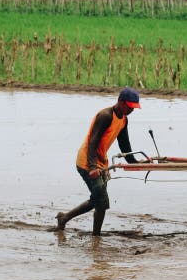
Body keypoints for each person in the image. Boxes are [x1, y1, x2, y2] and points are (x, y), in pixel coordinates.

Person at [55, 87, 142, 236]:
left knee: (97, 199)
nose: (131, 110)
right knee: (101, 201)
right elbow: (92, 141)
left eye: (133, 108)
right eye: (129, 107)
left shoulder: (123, 120)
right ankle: (96, 237)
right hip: (87, 162)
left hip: (101, 163)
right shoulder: (105, 116)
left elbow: (124, 145)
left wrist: (136, 162)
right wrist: (92, 167)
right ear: (120, 102)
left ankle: (65, 218)